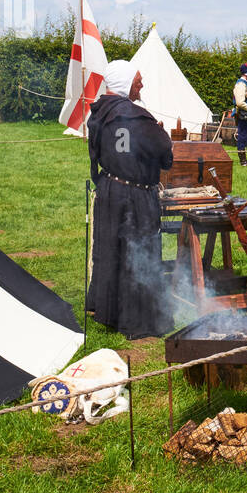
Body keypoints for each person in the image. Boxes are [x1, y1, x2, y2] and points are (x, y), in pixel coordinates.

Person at [85, 60, 173, 338]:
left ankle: (108, 312)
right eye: (138, 80)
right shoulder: (136, 116)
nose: (141, 84)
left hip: (110, 191)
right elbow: (163, 150)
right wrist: (157, 131)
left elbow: (113, 149)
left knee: (112, 253)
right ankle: (137, 320)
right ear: (125, 83)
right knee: (137, 256)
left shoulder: (100, 111)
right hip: (134, 196)